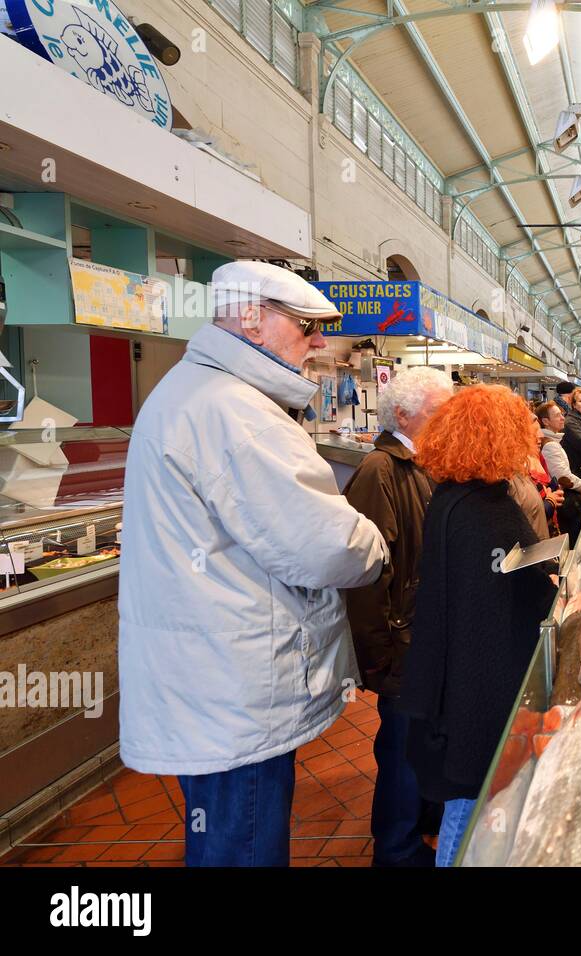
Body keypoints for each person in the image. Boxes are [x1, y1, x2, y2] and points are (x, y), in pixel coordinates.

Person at [118, 261, 389, 867]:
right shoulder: (233, 410)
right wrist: (375, 542)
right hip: (235, 690)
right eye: (308, 325)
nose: (320, 343)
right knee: (242, 843)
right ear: (251, 318)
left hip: (212, 678)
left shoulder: (198, 393)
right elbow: (327, 545)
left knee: (226, 835)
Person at [400, 385, 557, 866]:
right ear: (498, 437)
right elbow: (509, 592)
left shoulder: (454, 496)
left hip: (454, 684)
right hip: (480, 691)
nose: (532, 433)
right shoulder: (485, 509)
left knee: (464, 803)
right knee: (471, 809)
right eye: (522, 426)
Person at [341, 365, 453, 867]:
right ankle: (397, 852)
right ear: (404, 414)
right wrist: (381, 658)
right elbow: (365, 578)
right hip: (403, 646)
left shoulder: (422, 465)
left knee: (422, 745)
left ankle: (422, 826)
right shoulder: (379, 472)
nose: (446, 420)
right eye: (438, 411)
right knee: (402, 754)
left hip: (425, 640)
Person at [536, 400, 581, 541]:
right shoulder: (550, 445)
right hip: (565, 503)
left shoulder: (552, 441)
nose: (563, 417)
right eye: (558, 415)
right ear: (545, 421)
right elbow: (562, 476)